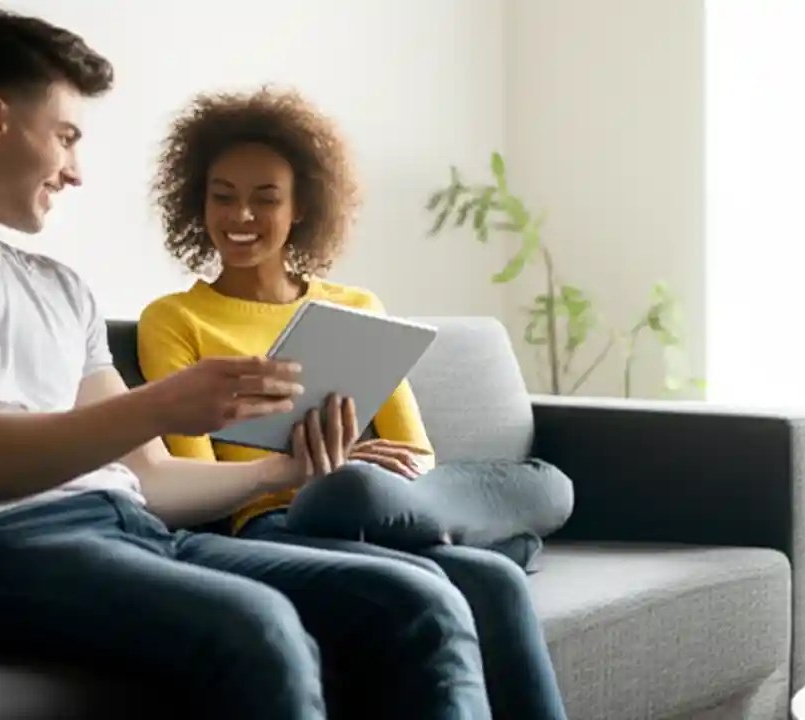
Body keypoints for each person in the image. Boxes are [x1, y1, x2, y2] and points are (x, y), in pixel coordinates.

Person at [0, 8, 497, 719]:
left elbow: (149, 478)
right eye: (66, 137)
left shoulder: (58, 288)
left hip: (131, 528)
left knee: (420, 601)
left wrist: (290, 470)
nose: (75, 171)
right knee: (258, 628)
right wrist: (165, 402)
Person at [137, 88, 571, 720]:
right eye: (222, 195)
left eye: (266, 198)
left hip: (387, 504)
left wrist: (357, 462)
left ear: (301, 206)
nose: (240, 215)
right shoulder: (175, 320)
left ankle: (450, 524)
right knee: (372, 508)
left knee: (539, 493)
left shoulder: (354, 306)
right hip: (274, 522)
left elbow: (417, 455)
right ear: (196, 202)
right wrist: (308, 467)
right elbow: (192, 485)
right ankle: (485, 535)